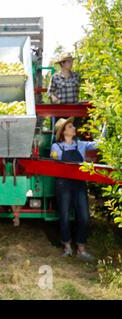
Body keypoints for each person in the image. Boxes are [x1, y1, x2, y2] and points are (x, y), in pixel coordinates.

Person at [50, 117, 98, 261]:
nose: (74, 128)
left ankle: (81, 248)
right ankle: (67, 247)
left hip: (79, 184)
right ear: (63, 131)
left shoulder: (81, 145)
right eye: (70, 127)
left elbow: (98, 144)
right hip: (63, 184)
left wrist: (105, 129)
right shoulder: (56, 147)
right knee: (64, 216)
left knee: (84, 216)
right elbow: (54, 162)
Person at [48, 52, 82, 128]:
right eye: (69, 61)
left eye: (72, 61)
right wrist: (54, 98)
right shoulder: (55, 77)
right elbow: (50, 91)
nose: (71, 63)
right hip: (61, 110)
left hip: (74, 110)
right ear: (62, 64)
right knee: (60, 132)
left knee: (73, 132)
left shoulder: (76, 76)